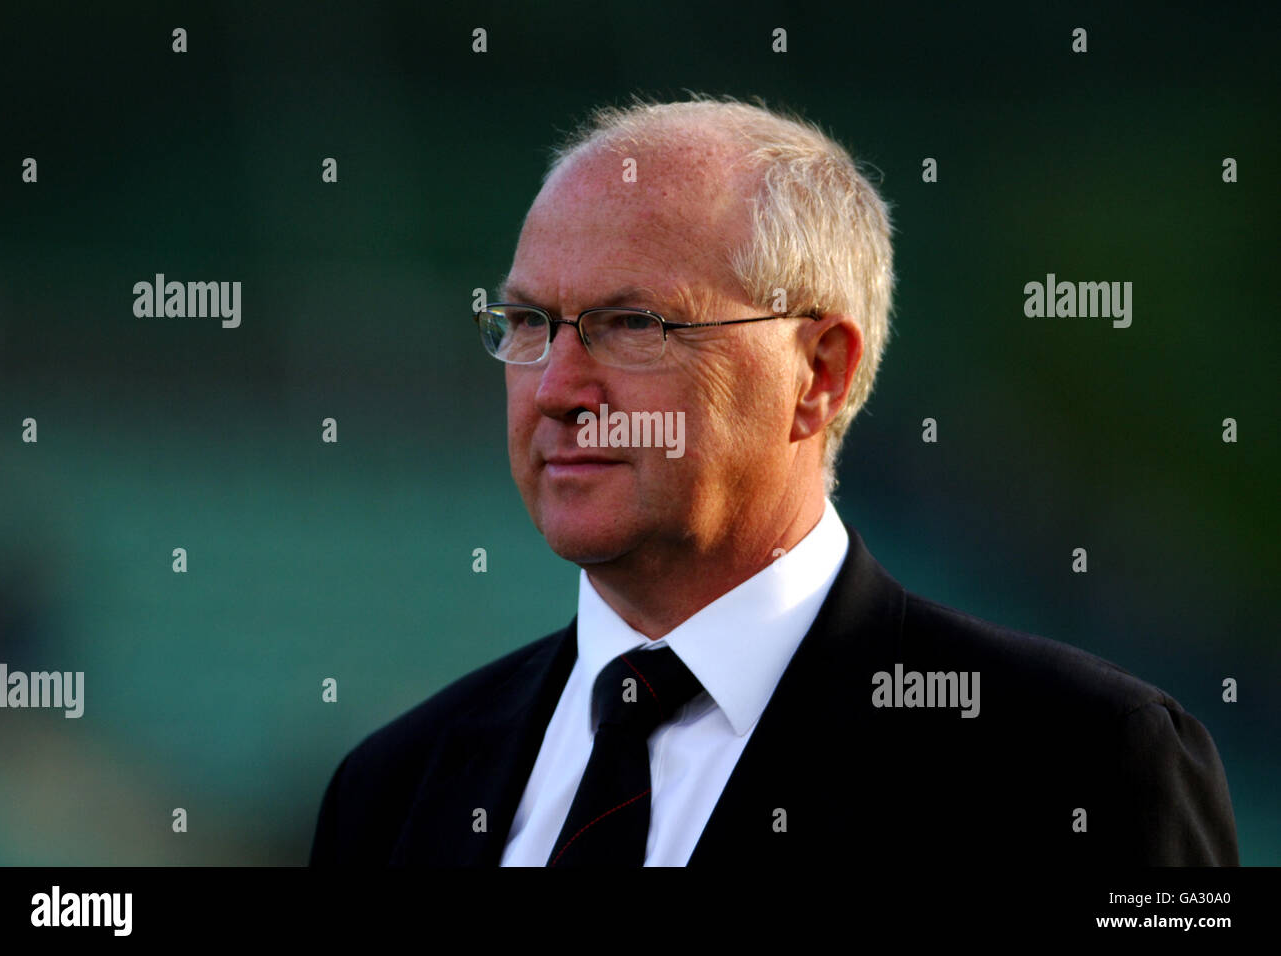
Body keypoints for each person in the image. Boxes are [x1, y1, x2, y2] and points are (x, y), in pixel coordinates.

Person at [309, 95, 1238, 867]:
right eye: (527, 321)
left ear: (819, 373)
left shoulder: (1078, 764)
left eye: (634, 323)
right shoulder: (391, 792)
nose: (554, 389)